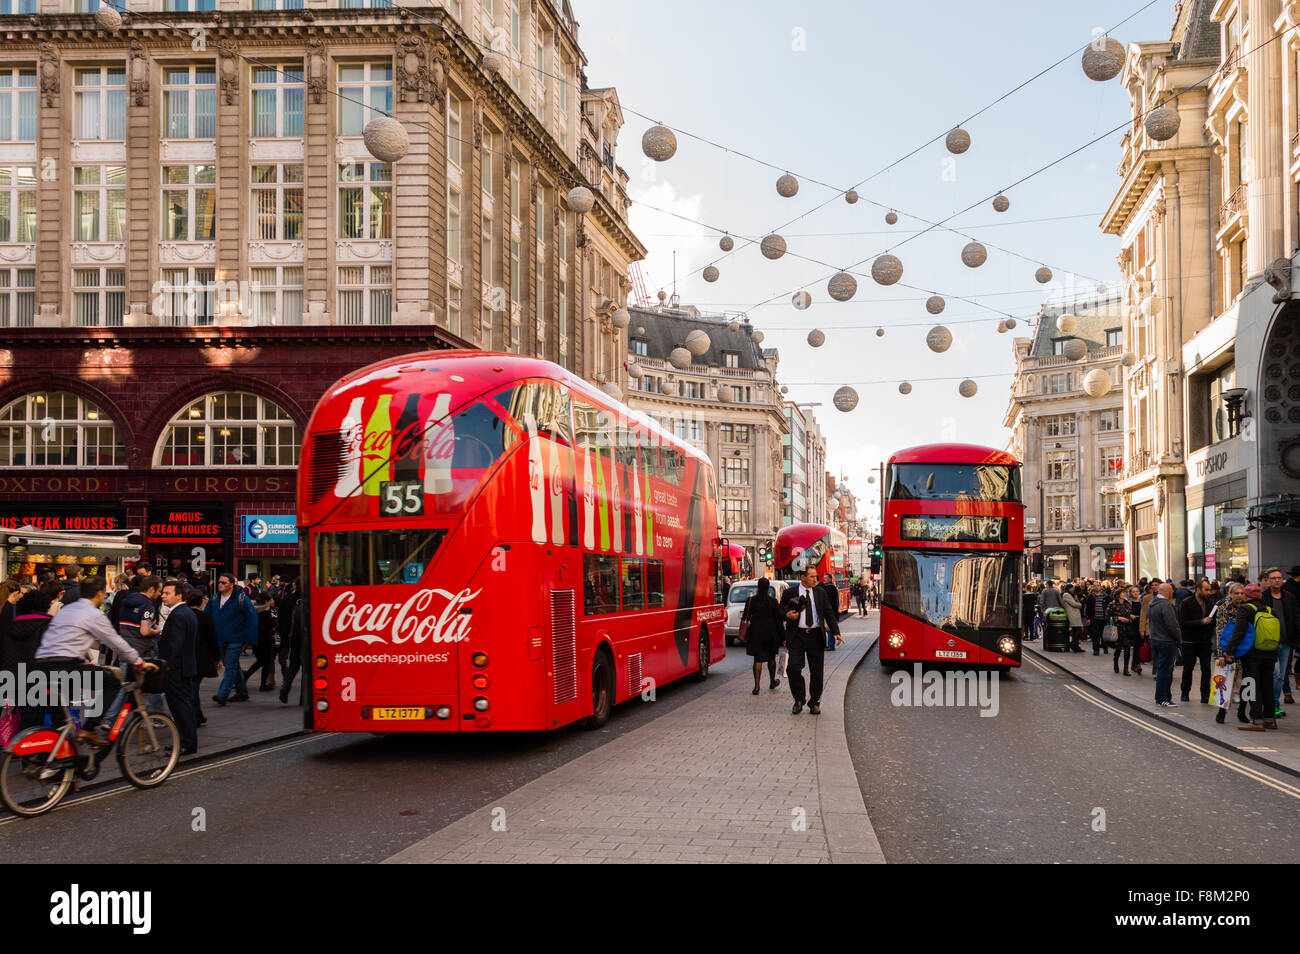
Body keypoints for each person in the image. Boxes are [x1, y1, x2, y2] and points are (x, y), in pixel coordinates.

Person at [31, 576, 156, 747]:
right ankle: (89, 728)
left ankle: (54, 763)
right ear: (99, 593)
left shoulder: (66, 610)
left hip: (41, 665)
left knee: (60, 722)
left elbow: (59, 640)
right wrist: (139, 662)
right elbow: (116, 643)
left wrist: (82, 659)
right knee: (112, 683)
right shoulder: (93, 614)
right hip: (65, 666)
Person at [780, 565, 842, 715]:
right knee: (793, 668)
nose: (816, 579)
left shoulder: (821, 592)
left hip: (815, 635)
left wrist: (836, 632)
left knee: (817, 671)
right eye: (813, 577)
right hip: (797, 636)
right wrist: (787, 614)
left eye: (816, 576)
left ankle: (814, 702)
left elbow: (828, 612)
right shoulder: (790, 592)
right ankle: (799, 699)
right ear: (803, 577)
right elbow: (780, 609)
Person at [156, 581, 198, 755]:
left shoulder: (179, 615)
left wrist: (167, 666)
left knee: (180, 707)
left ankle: (187, 743)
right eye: (163, 592)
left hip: (176, 669)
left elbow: (175, 645)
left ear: (179, 596)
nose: (163, 595)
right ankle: (185, 741)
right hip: (184, 666)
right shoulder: (186, 612)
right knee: (183, 706)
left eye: (167, 593)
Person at [1228, 583, 1277, 731]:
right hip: (1270, 653)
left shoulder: (1245, 609)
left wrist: (1229, 650)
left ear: (1247, 596)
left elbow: (1239, 632)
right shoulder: (1270, 610)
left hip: (1252, 655)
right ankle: (1270, 719)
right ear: (1260, 595)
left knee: (1252, 685)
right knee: (1268, 686)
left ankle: (1256, 720)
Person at [206, 572, 258, 706]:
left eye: (223, 582)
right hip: (220, 639)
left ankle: (222, 694)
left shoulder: (242, 599)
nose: (220, 584)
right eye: (219, 582)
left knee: (229, 666)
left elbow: (252, 619)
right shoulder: (214, 599)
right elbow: (206, 618)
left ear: (232, 584)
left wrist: (250, 640)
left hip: (236, 639)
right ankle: (242, 692)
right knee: (234, 666)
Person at [1214, 582, 1249, 724]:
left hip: (1245, 649)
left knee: (1247, 682)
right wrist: (1221, 653)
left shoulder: (1248, 608)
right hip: (1229, 650)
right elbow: (1219, 631)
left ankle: (1242, 711)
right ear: (1231, 594)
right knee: (1226, 681)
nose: (1239, 596)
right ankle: (1222, 712)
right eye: (1236, 593)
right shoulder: (1223, 608)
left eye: (1242, 593)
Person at [742, 578, 784, 694]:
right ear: (768, 587)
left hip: (756, 633)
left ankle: (757, 686)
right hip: (771, 633)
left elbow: (745, 616)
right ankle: (772, 681)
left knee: (758, 659)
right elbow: (778, 620)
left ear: (758, 587)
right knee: (771, 658)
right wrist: (783, 637)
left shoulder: (751, 601)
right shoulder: (773, 601)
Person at [1178, 578, 1216, 703]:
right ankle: (1185, 692)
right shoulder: (1186, 602)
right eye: (1206, 590)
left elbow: (1213, 622)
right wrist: (1201, 622)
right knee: (1188, 668)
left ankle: (1205, 695)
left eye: (1210, 590)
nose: (1209, 592)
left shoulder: (1210, 603)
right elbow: (1183, 622)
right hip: (1190, 642)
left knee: (1206, 670)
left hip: (1205, 641)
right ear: (1198, 590)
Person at [187, 586, 220, 727]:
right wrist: (217, 658)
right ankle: (195, 715)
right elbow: (213, 639)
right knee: (194, 688)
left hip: (187, 657)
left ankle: (196, 715)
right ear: (201, 602)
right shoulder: (206, 618)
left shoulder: (183, 615)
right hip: (201, 658)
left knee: (192, 688)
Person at [1147, 582, 1182, 708]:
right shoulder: (1166, 605)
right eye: (1171, 591)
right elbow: (1172, 626)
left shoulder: (1152, 603)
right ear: (1168, 592)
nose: (1173, 593)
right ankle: (1163, 699)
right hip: (1167, 642)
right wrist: (1179, 639)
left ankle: (1161, 697)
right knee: (1166, 671)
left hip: (1155, 640)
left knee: (1162, 670)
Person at [242, 591, 278, 691]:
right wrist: (275, 621)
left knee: (260, 661)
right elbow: (271, 624)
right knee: (265, 662)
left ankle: (246, 676)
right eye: (270, 600)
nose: (272, 601)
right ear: (266, 601)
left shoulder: (253, 609)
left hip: (256, 639)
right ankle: (262, 684)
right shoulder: (265, 611)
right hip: (266, 639)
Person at [1108, 584, 1141, 676]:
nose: (1124, 594)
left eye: (1125, 593)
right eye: (1122, 593)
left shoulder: (1127, 604)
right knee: (1118, 648)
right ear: (1118, 594)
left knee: (1127, 648)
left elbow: (1129, 614)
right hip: (1117, 629)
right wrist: (1118, 618)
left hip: (1126, 629)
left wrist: (1130, 617)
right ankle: (1115, 661)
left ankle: (1126, 669)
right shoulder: (1112, 604)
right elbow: (1108, 616)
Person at [279, 599, 305, 705]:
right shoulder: (310, 605)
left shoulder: (297, 604)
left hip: (294, 639)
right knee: (306, 670)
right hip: (305, 640)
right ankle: (303, 698)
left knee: (293, 666)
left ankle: (285, 687)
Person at [1088, 583, 1110, 656]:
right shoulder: (1091, 596)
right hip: (1095, 619)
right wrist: (1088, 618)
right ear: (1093, 587)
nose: (1096, 587)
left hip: (1104, 619)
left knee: (1104, 635)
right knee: (1095, 635)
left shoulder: (1106, 596)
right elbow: (1087, 607)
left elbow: (1110, 606)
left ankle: (1105, 647)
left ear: (1101, 587)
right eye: (1095, 586)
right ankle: (1096, 650)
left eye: (1098, 585)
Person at [1062, 583, 1085, 653]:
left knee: (1076, 630)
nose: (1073, 589)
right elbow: (1075, 604)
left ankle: (1075, 646)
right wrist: (1078, 601)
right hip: (1072, 615)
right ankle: (1073, 644)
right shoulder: (1066, 595)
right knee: (1079, 630)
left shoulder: (1070, 594)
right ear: (1069, 588)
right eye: (1072, 588)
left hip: (1074, 614)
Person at [820, 573, 840, 650]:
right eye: (824, 578)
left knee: (829, 629)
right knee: (829, 629)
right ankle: (830, 644)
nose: (824, 579)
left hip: (831, 612)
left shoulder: (830, 588)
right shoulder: (830, 587)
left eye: (826, 578)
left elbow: (830, 601)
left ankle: (831, 645)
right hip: (832, 611)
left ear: (830, 579)